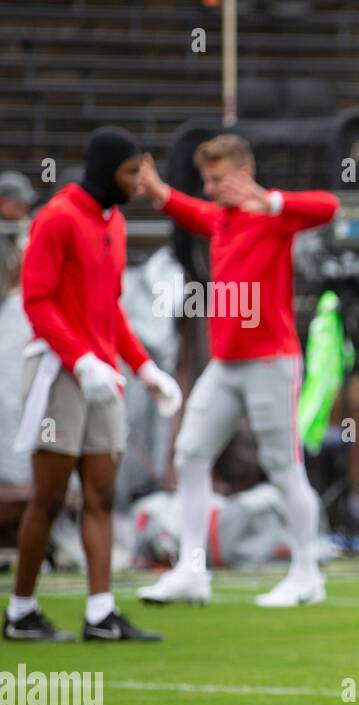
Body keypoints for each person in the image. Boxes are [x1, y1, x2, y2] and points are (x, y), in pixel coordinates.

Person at [134, 134, 339, 608]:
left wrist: (272, 200)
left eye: (218, 178)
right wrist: (160, 193)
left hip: (271, 361)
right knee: (189, 455)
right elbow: (191, 212)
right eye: (206, 179)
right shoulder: (223, 218)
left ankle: (307, 572)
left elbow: (329, 206)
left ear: (243, 174)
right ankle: (190, 569)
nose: (210, 189)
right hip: (227, 366)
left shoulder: (272, 214)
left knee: (283, 467)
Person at [5, 128, 181, 643]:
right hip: (61, 373)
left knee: (102, 492)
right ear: (107, 170)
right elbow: (37, 301)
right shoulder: (57, 218)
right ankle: (20, 611)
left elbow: (110, 311)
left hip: (104, 375)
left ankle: (101, 613)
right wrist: (80, 359)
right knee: (51, 496)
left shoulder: (116, 223)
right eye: (131, 172)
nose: (137, 183)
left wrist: (145, 369)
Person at [0, 170, 37, 298]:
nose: (23, 210)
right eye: (18, 205)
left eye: (26, 205)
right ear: (2, 202)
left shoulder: (22, 226)